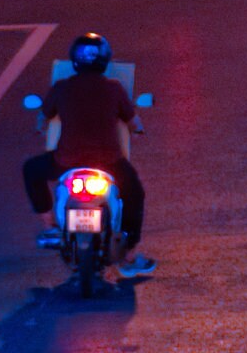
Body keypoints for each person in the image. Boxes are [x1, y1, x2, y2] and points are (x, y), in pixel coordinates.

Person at [21, 31, 152, 268]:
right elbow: (135, 124)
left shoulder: (61, 87)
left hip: (67, 160)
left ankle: (49, 226)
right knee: (134, 193)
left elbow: (42, 120)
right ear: (105, 60)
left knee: (31, 169)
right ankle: (130, 252)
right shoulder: (115, 88)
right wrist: (140, 131)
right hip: (109, 161)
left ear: (74, 59)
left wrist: (39, 128)